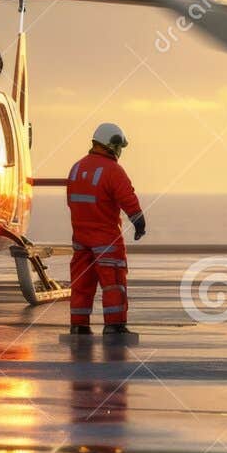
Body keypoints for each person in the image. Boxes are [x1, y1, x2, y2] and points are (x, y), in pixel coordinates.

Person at [66, 123, 146, 340]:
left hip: (81, 239)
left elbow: (71, 202)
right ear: (113, 145)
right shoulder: (113, 170)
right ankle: (115, 325)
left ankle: (78, 326)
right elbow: (127, 198)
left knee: (82, 283)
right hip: (106, 239)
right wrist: (139, 221)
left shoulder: (76, 168)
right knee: (113, 282)